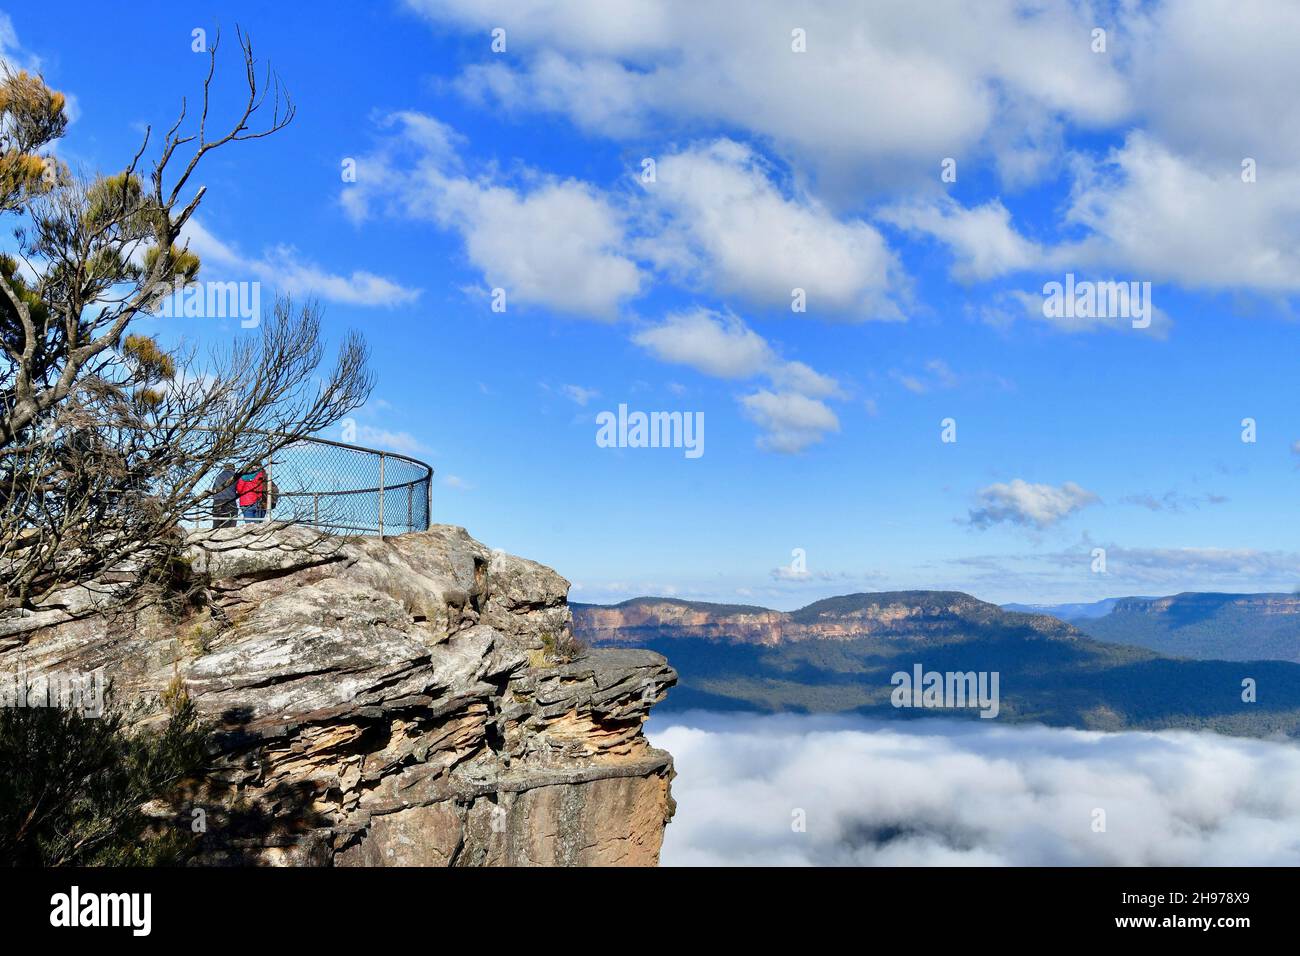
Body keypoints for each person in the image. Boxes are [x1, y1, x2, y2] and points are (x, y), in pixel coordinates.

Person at [211, 465, 238, 529]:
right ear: (234, 468)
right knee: (229, 522)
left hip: (217, 500)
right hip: (230, 500)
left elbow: (213, 489)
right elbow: (239, 488)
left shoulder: (218, 476)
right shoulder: (235, 475)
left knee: (216, 522)